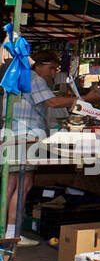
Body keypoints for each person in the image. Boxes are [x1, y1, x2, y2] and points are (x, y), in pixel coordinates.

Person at [6, 50, 76, 246]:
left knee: (10, 185)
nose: (53, 72)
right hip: (25, 136)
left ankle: (7, 232)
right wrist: (81, 99)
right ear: (40, 65)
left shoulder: (23, 76)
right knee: (22, 185)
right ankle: (12, 235)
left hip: (14, 134)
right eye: (52, 68)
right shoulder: (34, 78)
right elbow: (51, 102)